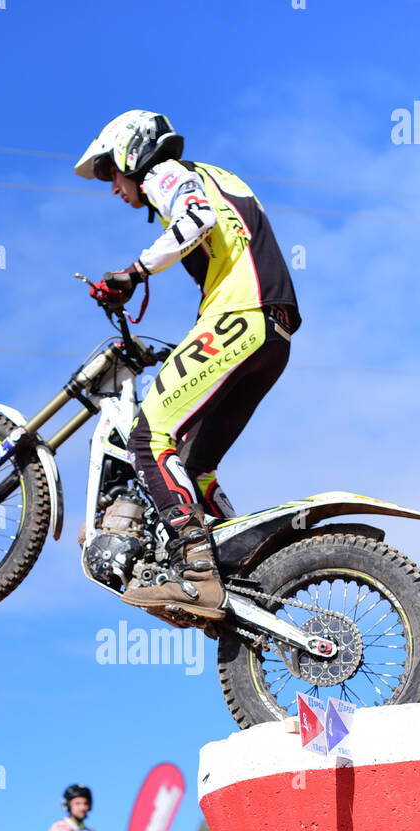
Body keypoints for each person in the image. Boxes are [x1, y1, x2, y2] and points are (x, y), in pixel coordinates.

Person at [75, 111, 300, 618]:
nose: (113, 188)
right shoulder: (219, 176)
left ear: (133, 153)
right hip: (272, 333)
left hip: (241, 316)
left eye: (111, 172)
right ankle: (248, 575)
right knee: (193, 466)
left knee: (146, 438)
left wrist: (133, 272)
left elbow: (196, 221)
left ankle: (198, 573)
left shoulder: (167, 175)